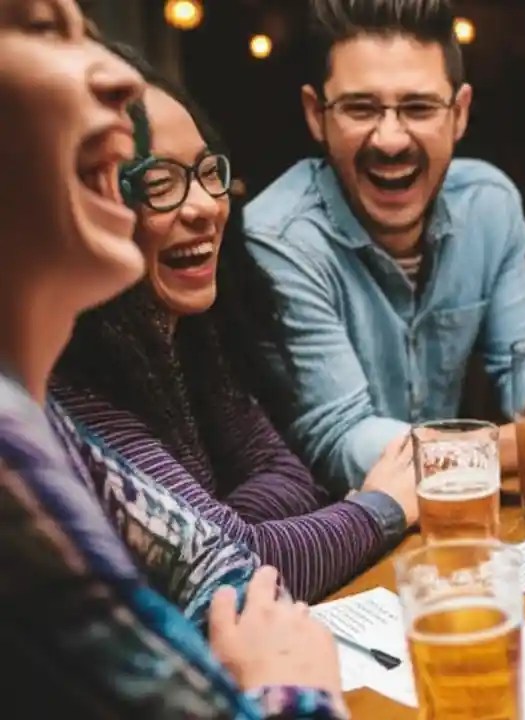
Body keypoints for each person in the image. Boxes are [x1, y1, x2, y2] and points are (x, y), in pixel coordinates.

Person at [0, 1, 345, 716]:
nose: (120, 81)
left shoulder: (43, 418)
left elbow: (223, 562)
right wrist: (294, 688)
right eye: (42, 27)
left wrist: (222, 531)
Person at [53, 45, 417, 603]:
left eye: (204, 171)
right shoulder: (63, 382)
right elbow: (238, 571)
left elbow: (289, 475)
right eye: (157, 183)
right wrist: (381, 508)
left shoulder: (184, 337)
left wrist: (210, 527)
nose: (203, 205)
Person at [244, 0, 525, 492]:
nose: (390, 140)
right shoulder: (279, 238)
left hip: (457, 519)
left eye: (418, 107)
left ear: (458, 114)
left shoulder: (488, 205)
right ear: (316, 115)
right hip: (331, 538)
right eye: (360, 108)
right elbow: (343, 440)